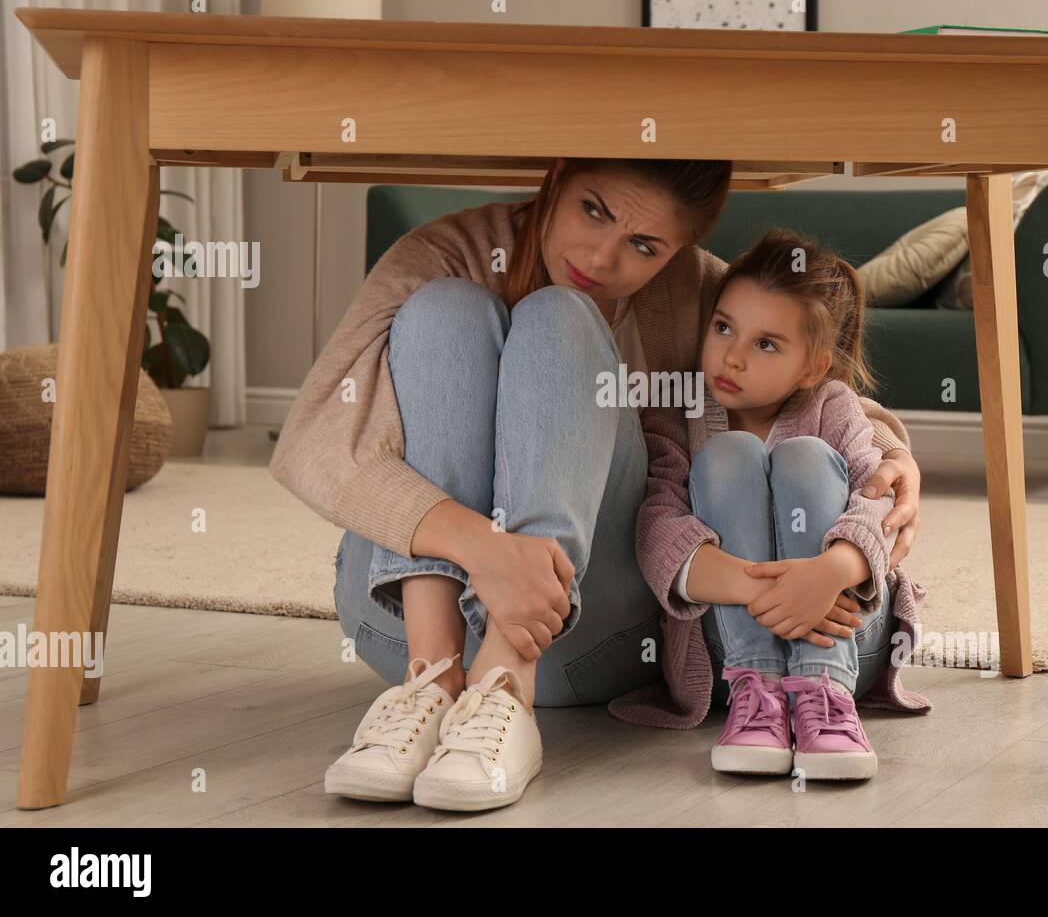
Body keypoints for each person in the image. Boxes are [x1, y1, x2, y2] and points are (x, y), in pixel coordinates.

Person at [268, 156, 926, 812]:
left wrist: (895, 454)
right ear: (556, 177)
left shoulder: (687, 287)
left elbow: (806, 377)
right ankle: (431, 682)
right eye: (593, 210)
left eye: (643, 245)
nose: (602, 257)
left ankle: (503, 688)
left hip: (586, 636)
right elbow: (313, 438)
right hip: (396, 619)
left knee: (561, 315)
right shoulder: (445, 253)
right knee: (444, 310)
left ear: (675, 250)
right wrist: (483, 549)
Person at [631, 226, 934, 783]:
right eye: (724, 328)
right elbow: (657, 530)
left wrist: (830, 572)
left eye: (766, 344)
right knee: (728, 455)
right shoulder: (677, 417)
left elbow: (880, 499)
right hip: (732, 651)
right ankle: (760, 696)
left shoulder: (834, 405)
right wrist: (764, 588)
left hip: (844, 634)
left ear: (813, 367)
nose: (733, 356)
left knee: (803, 457)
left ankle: (825, 698)